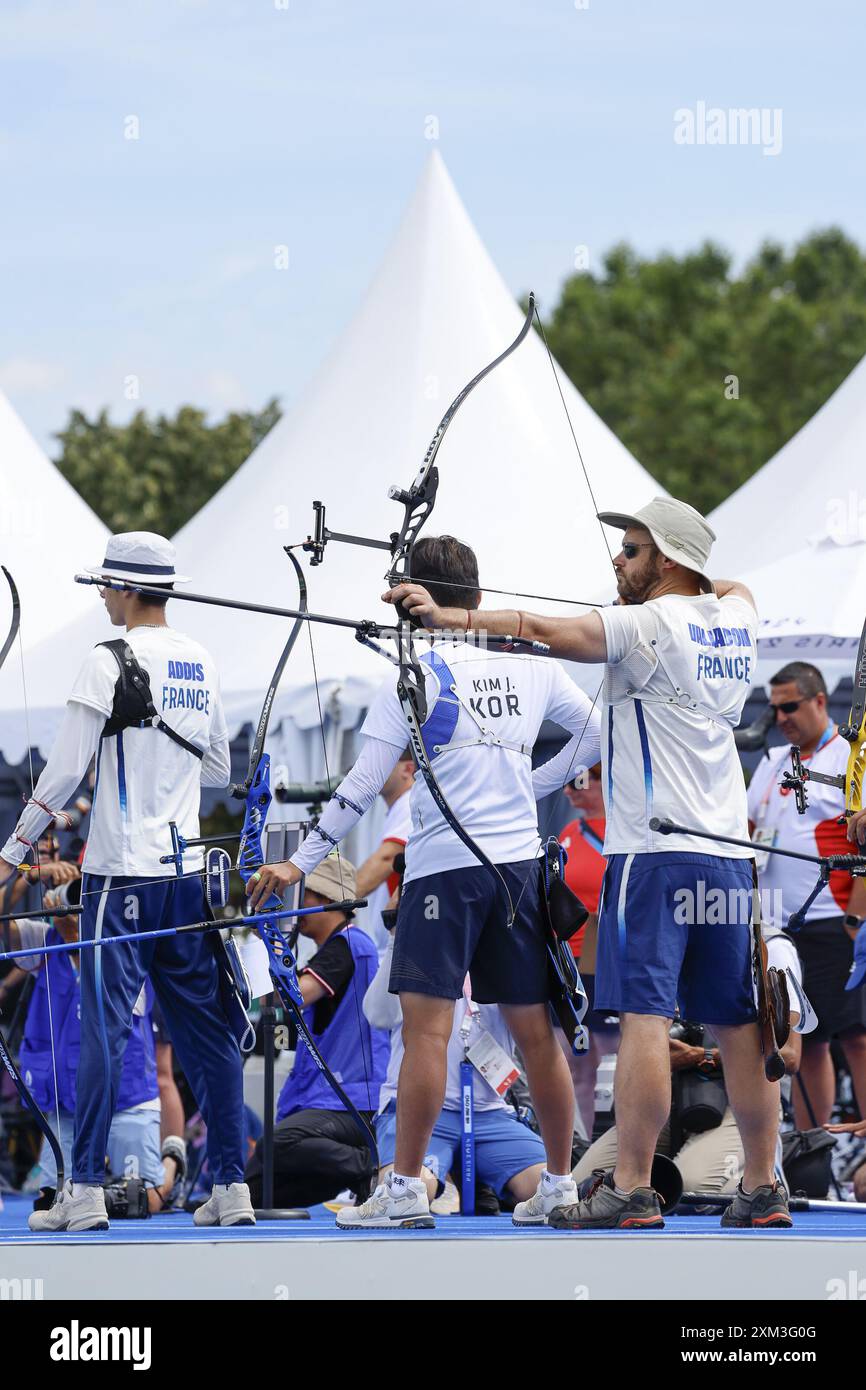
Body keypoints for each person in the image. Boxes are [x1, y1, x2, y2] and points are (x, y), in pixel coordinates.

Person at [384, 497, 792, 1230]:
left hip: (656, 854)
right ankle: (763, 1187)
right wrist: (693, 579)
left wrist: (453, 620)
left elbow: (546, 630)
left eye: (632, 551)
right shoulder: (735, 618)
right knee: (739, 1023)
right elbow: (733, 588)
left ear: (667, 562)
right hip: (731, 856)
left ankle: (630, 1186)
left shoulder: (646, 624)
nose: (618, 561)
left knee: (643, 1017)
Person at [248, 534, 602, 1228]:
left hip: (444, 876)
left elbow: (360, 785)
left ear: (420, 601)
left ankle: (406, 1188)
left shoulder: (415, 679)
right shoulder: (530, 671)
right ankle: (559, 1185)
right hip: (517, 872)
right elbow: (595, 733)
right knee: (536, 1034)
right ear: (475, 596)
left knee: (428, 1035)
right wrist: (534, 786)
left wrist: (298, 861)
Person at [0, 532, 250, 1231]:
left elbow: (64, 770)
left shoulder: (105, 659)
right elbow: (219, 771)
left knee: (103, 1030)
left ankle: (80, 1188)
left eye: (106, 586)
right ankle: (231, 1187)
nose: (103, 596)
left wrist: (12, 853)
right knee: (208, 1034)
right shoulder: (200, 660)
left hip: (121, 877)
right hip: (186, 875)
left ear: (127, 588)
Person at [337, 916, 546, 1225]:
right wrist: (399, 936)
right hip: (421, 1116)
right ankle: (445, 1176)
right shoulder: (416, 946)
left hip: (489, 1113)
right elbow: (377, 1015)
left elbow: (533, 1033)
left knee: (545, 1190)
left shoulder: (500, 947)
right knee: (411, 1188)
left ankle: (455, 1175)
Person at [747, 662, 866, 1128]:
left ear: (820, 701)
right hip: (781, 924)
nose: (781, 717)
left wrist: (856, 920)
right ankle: (810, 1146)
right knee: (805, 1039)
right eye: (775, 709)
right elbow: (750, 828)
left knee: (856, 1035)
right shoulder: (774, 761)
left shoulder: (849, 756)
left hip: (834, 918)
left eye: (790, 706)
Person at [244, 855, 388, 1208]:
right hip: (328, 1102)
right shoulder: (335, 949)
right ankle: (360, 1177)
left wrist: (267, 933)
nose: (293, 908)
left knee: (277, 1144)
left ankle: (374, 1169)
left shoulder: (351, 945)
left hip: (354, 1103)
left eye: (301, 897)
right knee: (254, 1188)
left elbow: (294, 994)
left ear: (325, 900)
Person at [558, 765, 619, 1137]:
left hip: (609, 959)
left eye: (576, 782)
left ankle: (615, 1142)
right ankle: (578, 1145)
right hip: (570, 961)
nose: (567, 792)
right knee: (574, 1062)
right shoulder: (569, 833)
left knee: (613, 1058)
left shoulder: (624, 830)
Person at [355, 754, 414, 953]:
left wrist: (336, 899)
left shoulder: (410, 803)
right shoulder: (400, 807)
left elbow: (386, 858)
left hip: (400, 943)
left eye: (383, 762)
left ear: (407, 769)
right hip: (393, 940)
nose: (374, 769)